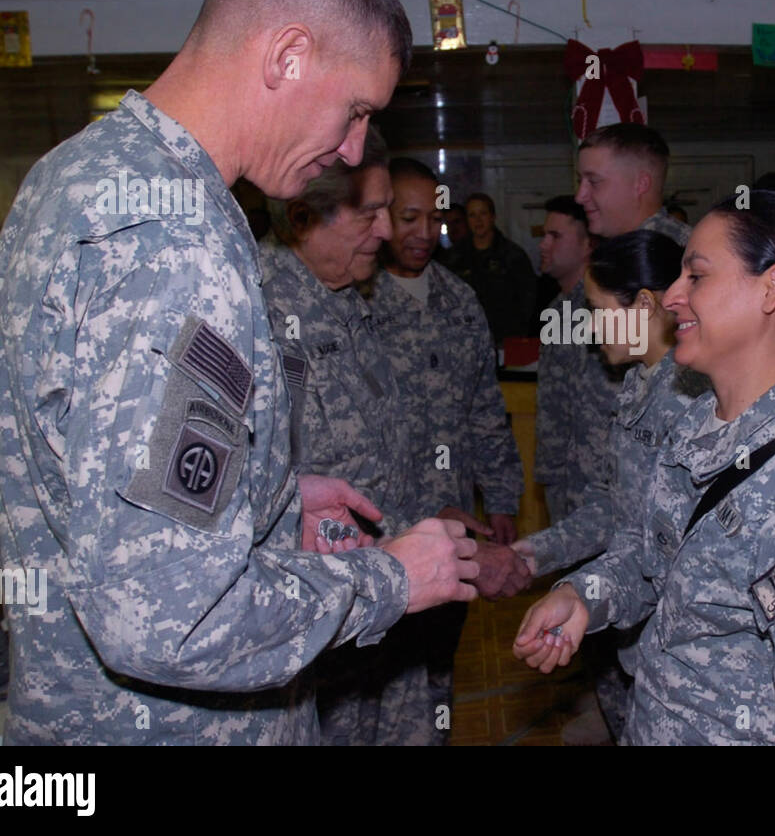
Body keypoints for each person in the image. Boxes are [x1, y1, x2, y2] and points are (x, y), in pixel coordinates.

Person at [0, 0, 479, 745]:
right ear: (288, 55)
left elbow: (97, 479)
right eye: (356, 109)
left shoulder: (75, 175)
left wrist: (269, 496)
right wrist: (389, 579)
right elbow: (170, 617)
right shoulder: (178, 243)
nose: (353, 150)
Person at [514, 191, 775, 745]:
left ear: (773, 288)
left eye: (696, 277)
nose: (671, 298)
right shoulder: (698, 421)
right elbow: (654, 562)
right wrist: (584, 595)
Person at [260, 128, 524, 744]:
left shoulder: (349, 299)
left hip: (389, 607)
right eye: (373, 213)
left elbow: (381, 458)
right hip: (322, 625)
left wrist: (436, 520)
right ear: (304, 215)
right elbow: (273, 503)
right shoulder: (257, 311)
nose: (387, 232)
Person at [517, 229, 705, 742]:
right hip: (640, 634)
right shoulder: (638, 382)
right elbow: (612, 507)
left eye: (598, 311)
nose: (591, 327)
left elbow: (670, 550)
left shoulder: (691, 398)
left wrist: (582, 590)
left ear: (645, 305)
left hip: (687, 655)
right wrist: (531, 554)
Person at [369, 157, 529, 744]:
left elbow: (485, 406)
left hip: (456, 526)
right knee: (375, 685)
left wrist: (503, 494)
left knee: (435, 675)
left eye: (432, 218)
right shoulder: (353, 300)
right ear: (380, 216)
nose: (422, 232)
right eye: (407, 217)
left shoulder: (459, 299)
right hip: (381, 530)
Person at [533, 196, 617, 522]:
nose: (543, 245)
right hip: (561, 478)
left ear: (588, 246)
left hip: (601, 485)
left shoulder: (609, 310)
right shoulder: (557, 309)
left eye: (556, 236)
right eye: (544, 235)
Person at [442, 192, 536, 344]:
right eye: (472, 215)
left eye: (483, 213)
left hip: (505, 339)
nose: (478, 220)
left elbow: (528, 301)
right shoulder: (454, 257)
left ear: (492, 216)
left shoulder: (512, 255)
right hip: (465, 340)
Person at [575, 123, 691, 245]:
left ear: (641, 184)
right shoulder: (626, 249)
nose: (579, 197)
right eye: (580, 181)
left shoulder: (681, 255)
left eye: (594, 181)